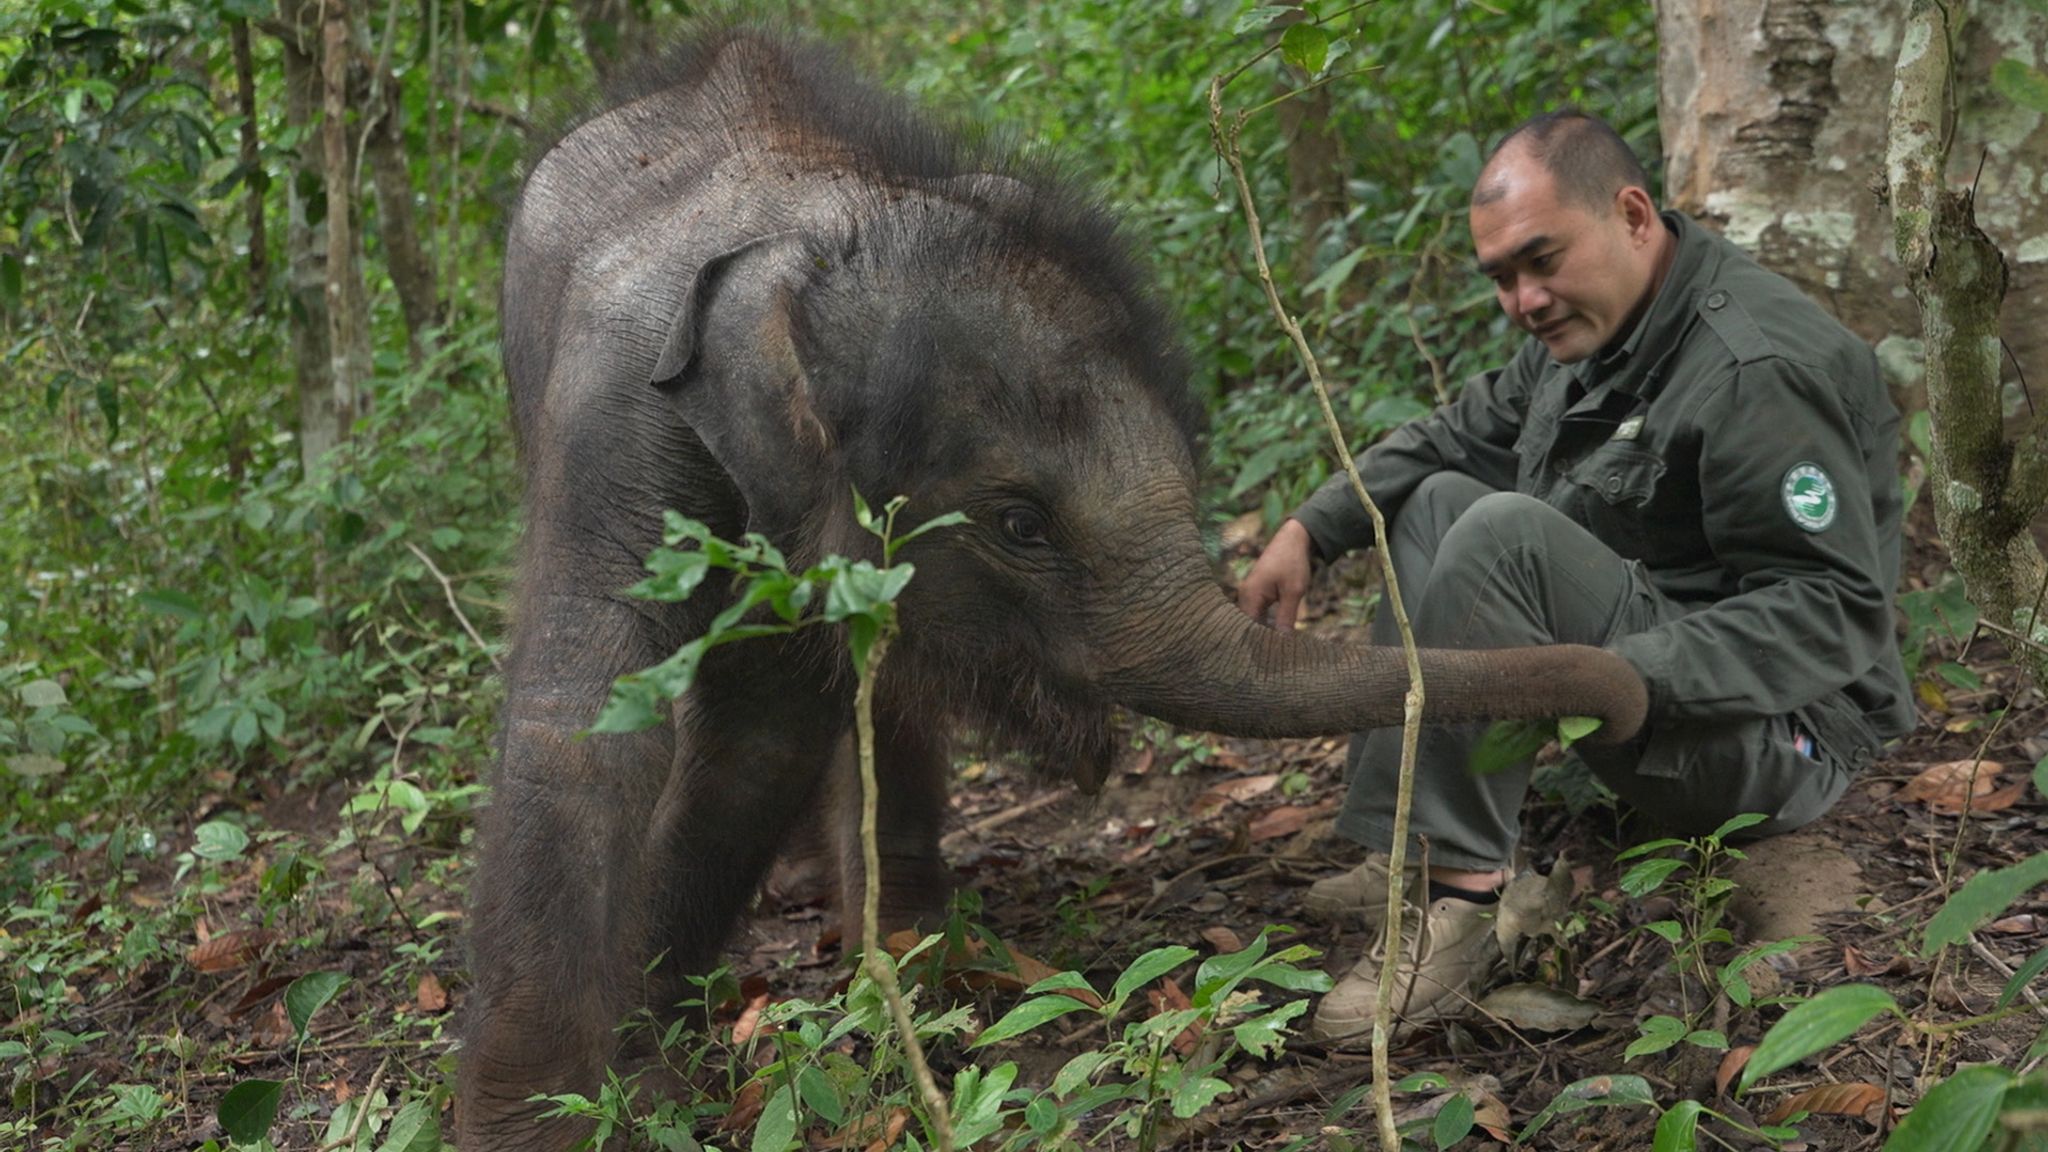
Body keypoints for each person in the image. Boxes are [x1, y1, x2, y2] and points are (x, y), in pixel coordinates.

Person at [1236, 109, 1914, 1044]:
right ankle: (1412, 845)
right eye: (1501, 278)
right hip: (1659, 683)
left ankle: (1462, 901)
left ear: (1632, 215)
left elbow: (1833, 610)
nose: (1525, 299)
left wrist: (1625, 676)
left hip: (1785, 737)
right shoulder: (1600, 331)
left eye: (1542, 260)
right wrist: (1310, 528)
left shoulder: (1758, 368)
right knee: (1436, 502)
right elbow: (1456, 434)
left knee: (1504, 531)